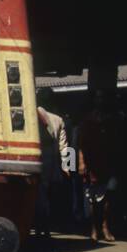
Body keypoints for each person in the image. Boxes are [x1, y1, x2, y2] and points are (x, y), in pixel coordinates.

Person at [78, 90, 126, 244]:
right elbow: (81, 144)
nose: (101, 100)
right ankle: (94, 228)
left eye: (103, 97)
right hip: (92, 164)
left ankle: (105, 226)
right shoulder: (88, 120)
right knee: (92, 199)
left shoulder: (115, 120)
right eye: (98, 97)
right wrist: (81, 162)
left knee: (108, 198)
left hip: (109, 164)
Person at [35, 91, 71, 238]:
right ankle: (45, 226)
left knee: (39, 194)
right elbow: (65, 147)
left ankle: (39, 225)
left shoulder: (32, 114)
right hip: (52, 162)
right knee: (46, 194)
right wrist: (68, 167)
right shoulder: (58, 119)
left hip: (35, 159)